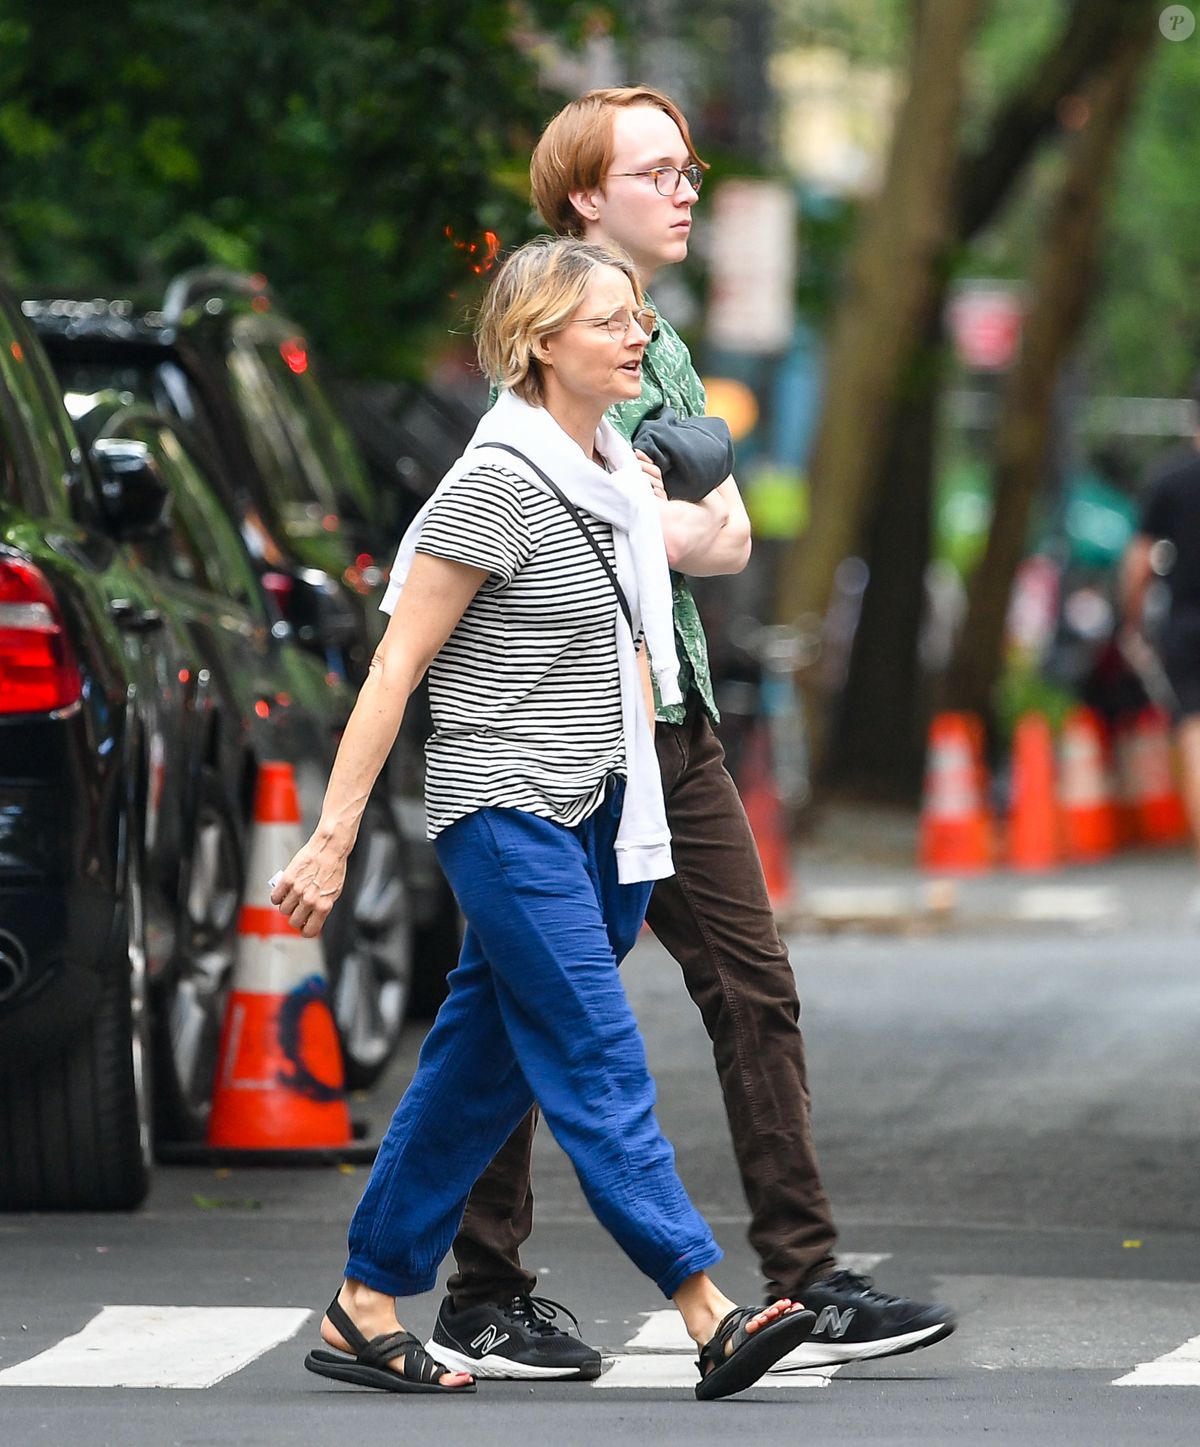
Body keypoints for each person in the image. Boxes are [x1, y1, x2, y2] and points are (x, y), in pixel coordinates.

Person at [427, 86, 957, 1383]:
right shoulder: (550, 329)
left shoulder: (658, 340)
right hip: (554, 734)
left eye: (690, 166)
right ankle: (481, 1289)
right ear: (583, 198)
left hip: (671, 716)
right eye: (657, 170)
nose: (687, 189)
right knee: (520, 999)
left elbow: (724, 533)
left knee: (754, 985)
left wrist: (657, 517)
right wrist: (653, 518)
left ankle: (808, 1274)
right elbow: (583, 511)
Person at [272, 234, 817, 1401]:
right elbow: (394, 669)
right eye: (609, 320)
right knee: (594, 1050)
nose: (637, 335)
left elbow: (681, 587)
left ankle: (367, 1300)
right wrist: (333, 834)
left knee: (480, 1064)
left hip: (603, 814)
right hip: (503, 808)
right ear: (538, 343)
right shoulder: (495, 484)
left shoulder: (617, 474)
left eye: (637, 316)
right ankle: (706, 1304)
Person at [1120, 373, 1200, 913]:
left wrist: (1132, 622)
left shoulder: (1169, 480)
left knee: (1195, 738)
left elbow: (1138, 561)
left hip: (1189, 624)